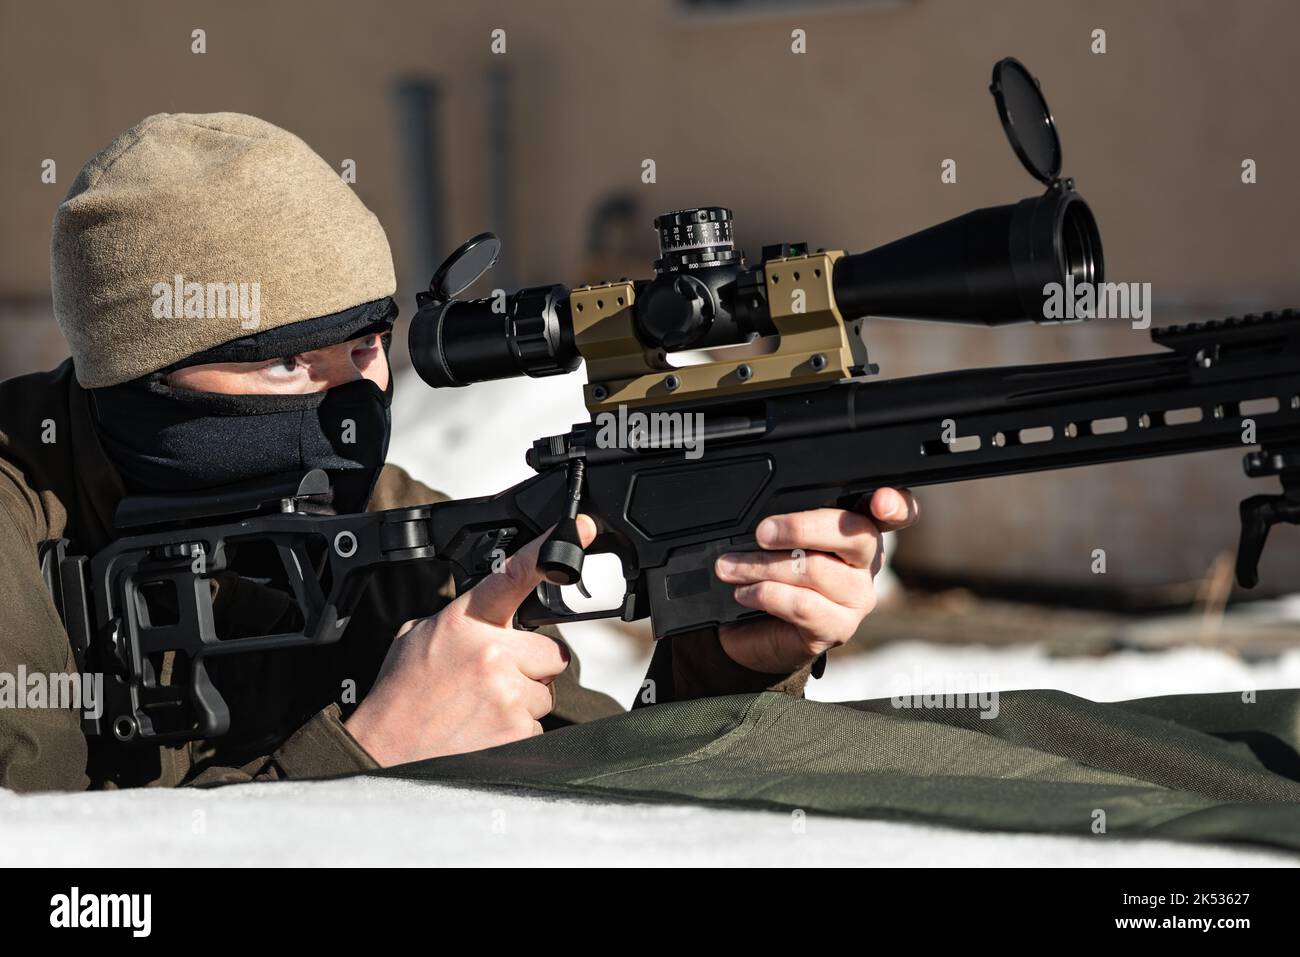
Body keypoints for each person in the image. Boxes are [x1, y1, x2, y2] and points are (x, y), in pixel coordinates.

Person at [0, 112, 917, 791]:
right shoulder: (18, 522)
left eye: (364, 349)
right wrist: (365, 757)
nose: (348, 408)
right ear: (139, 379)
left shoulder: (393, 533)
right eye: (285, 363)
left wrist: (726, 663)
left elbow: (602, 790)